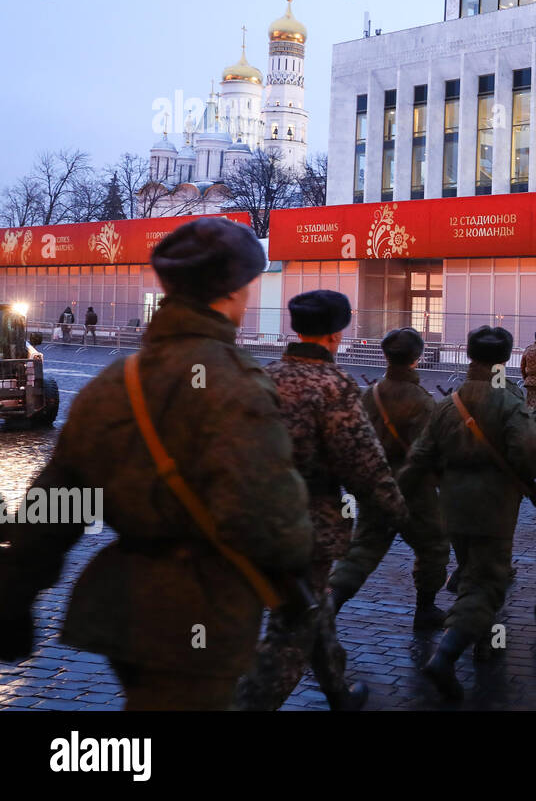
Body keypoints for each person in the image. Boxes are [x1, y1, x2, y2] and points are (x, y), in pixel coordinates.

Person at [0, 217, 313, 709]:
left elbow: (55, 506)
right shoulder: (237, 385)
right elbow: (274, 521)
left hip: (123, 604)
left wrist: (16, 592)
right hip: (205, 608)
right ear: (234, 291)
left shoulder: (113, 383)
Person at [235, 290, 408, 712]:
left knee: (310, 605)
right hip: (307, 526)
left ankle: (338, 691)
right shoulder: (333, 385)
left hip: (255, 518)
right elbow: (361, 460)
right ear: (336, 333)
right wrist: (398, 510)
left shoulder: (262, 376)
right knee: (291, 630)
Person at [414, 326, 536, 700]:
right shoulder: (509, 395)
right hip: (495, 501)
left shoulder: (448, 399)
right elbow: (528, 448)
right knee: (488, 578)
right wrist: (525, 475)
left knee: (471, 567)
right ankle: (449, 652)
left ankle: (488, 638)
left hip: (453, 498)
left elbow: (425, 451)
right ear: (506, 356)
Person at [329, 327, 450, 632]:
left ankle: (328, 607)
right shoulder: (422, 401)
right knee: (433, 546)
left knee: (363, 549)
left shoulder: (368, 395)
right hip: (415, 491)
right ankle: (425, 610)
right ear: (416, 359)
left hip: (375, 485)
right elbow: (428, 450)